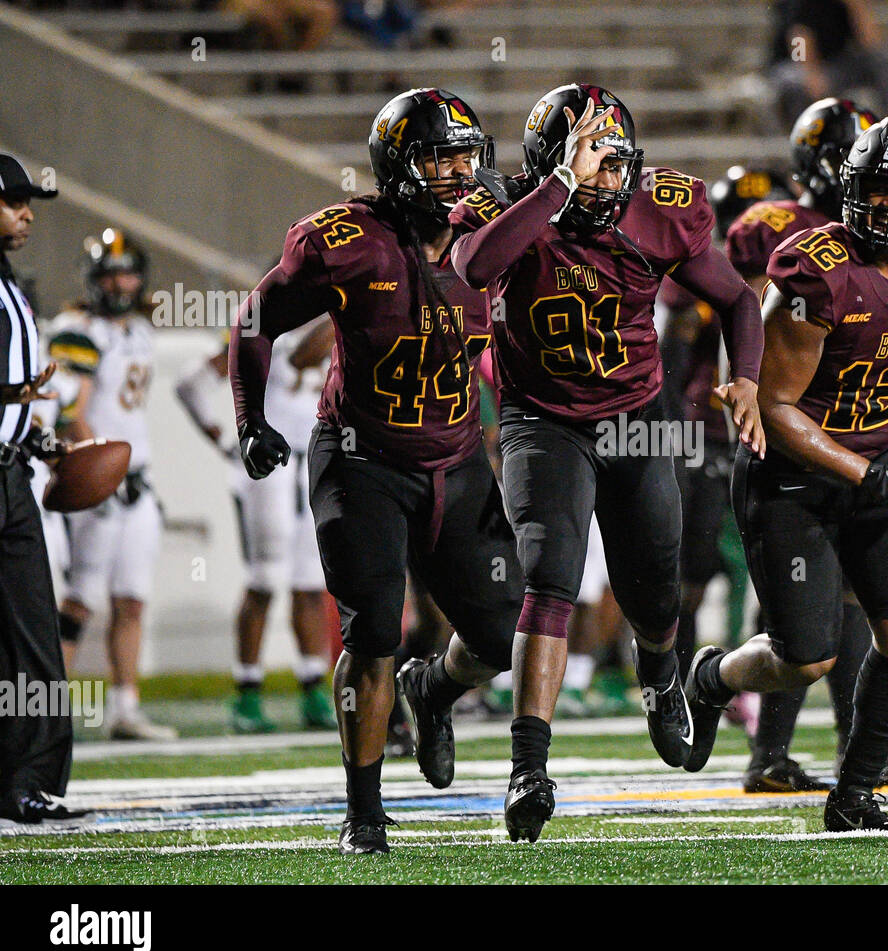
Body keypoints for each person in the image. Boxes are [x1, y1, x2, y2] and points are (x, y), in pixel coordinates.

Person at [449, 83, 765, 842]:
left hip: (636, 419)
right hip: (543, 419)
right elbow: (472, 266)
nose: (606, 177)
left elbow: (739, 302)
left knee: (656, 592)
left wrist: (746, 378)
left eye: (616, 162)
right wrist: (558, 185)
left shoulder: (661, 212)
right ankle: (530, 766)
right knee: (549, 575)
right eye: (590, 162)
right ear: (553, 163)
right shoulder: (508, 205)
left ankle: (661, 678)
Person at [681, 117, 888, 831]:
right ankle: (709, 679)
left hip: (875, 461)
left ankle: (854, 793)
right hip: (792, 471)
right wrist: (866, 474)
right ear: (856, 191)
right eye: (883, 191)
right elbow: (773, 406)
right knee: (805, 658)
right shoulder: (815, 270)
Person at [231, 88, 526, 854]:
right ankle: (364, 812)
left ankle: (433, 693)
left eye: (469, 155)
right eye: (443, 158)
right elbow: (259, 317)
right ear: (398, 167)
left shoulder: (490, 232)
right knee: (373, 633)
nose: (463, 173)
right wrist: (250, 417)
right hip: (362, 459)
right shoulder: (345, 241)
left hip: (457, 459)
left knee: (501, 634)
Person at [723, 100, 888, 792]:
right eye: (859, 165)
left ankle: (849, 754)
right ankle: (768, 751)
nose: (885, 189)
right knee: (801, 604)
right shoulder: (777, 230)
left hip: (854, 433)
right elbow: (737, 309)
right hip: (777, 424)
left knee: (851, 602)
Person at [174, 324, 337, 733]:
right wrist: (226, 442)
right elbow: (189, 384)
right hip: (266, 468)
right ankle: (247, 692)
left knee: (310, 583)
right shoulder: (267, 327)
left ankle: (313, 688)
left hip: (311, 465)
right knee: (264, 580)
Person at [51, 229, 176, 741]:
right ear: (94, 279)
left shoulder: (140, 331)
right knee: (81, 598)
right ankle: (49, 709)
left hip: (135, 483)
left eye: (127, 272)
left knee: (132, 599)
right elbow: (67, 410)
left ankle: (125, 709)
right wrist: (101, 463)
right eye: (111, 273)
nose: (121, 282)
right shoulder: (77, 330)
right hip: (98, 479)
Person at [0, 153, 84, 822]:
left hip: (11, 477)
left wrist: (40, 440)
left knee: (34, 638)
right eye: (13, 201)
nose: (26, 213)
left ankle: (28, 780)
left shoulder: (13, 286)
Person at [766, 0, 888, 129]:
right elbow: (798, 37)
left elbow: (872, 46)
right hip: (793, 65)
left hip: (834, 67)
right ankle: (805, 137)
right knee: (797, 82)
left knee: (881, 62)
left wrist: (858, 8)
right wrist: (811, 73)